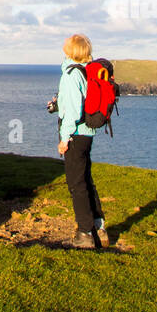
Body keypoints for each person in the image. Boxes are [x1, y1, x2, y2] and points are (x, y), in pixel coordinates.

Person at [57, 33, 106, 250]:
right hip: (88, 133)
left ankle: (85, 233)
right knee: (86, 179)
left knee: (76, 184)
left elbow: (74, 110)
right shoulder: (88, 71)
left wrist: (64, 138)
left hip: (75, 134)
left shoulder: (70, 73)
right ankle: (99, 227)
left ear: (70, 50)